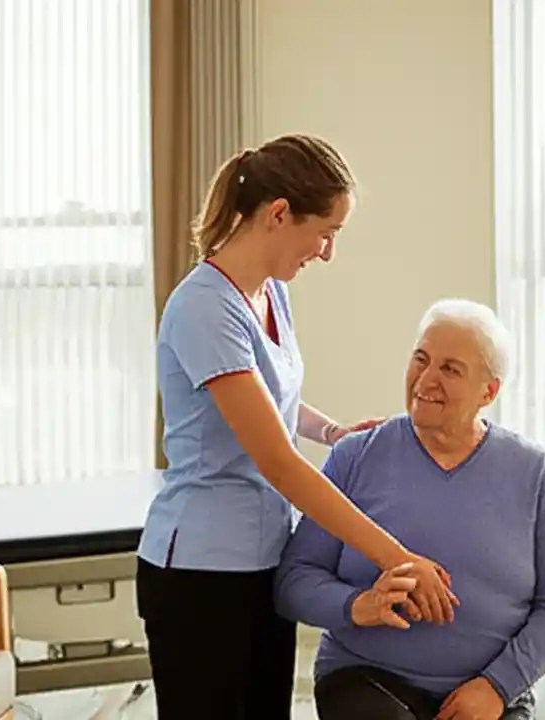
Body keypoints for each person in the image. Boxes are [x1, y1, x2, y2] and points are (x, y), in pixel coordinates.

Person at [137, 134, 459, 720]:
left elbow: (269, 394)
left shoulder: (272, 294)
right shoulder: (204, 306)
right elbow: (278, 461)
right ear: (279, 214)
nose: (327, 251)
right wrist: (397, 557)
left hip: (263, 559)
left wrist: (333, 431)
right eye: (326, 232)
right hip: (200, 572)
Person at [274, 299, 545, 720]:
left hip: (488, 691)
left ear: (489, 391)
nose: (426, 379)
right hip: (365, 679)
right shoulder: (356, 456)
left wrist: (497, 687)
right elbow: (293, 583)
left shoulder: (535, 472)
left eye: (450, 369)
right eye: (420, 360)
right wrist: (361, 604)